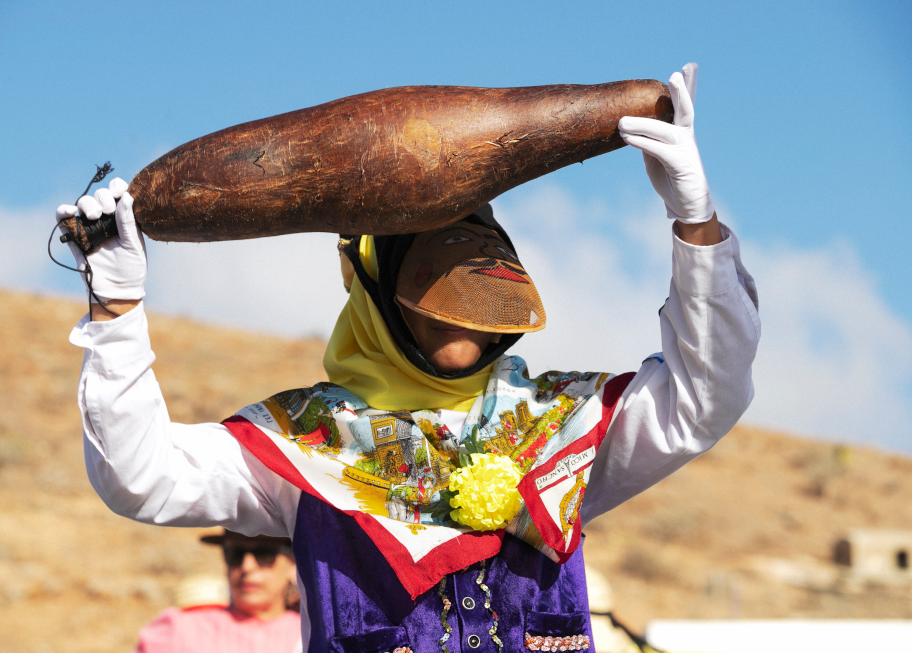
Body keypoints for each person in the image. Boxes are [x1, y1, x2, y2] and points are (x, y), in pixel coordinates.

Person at [60, 63, 759, 652]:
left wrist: (697, 226)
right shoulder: (303, 447)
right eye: (430, 277)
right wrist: (117, 305)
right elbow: (140, 475)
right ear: (377, 288)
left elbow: (705, 397)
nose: (462, 314)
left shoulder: (558, 429)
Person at [133, 531, 302, 653]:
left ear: (294, 563)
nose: (247, 566)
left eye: (264, 555)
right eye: (235, 554)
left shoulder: (314, 636)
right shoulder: (180, 630)